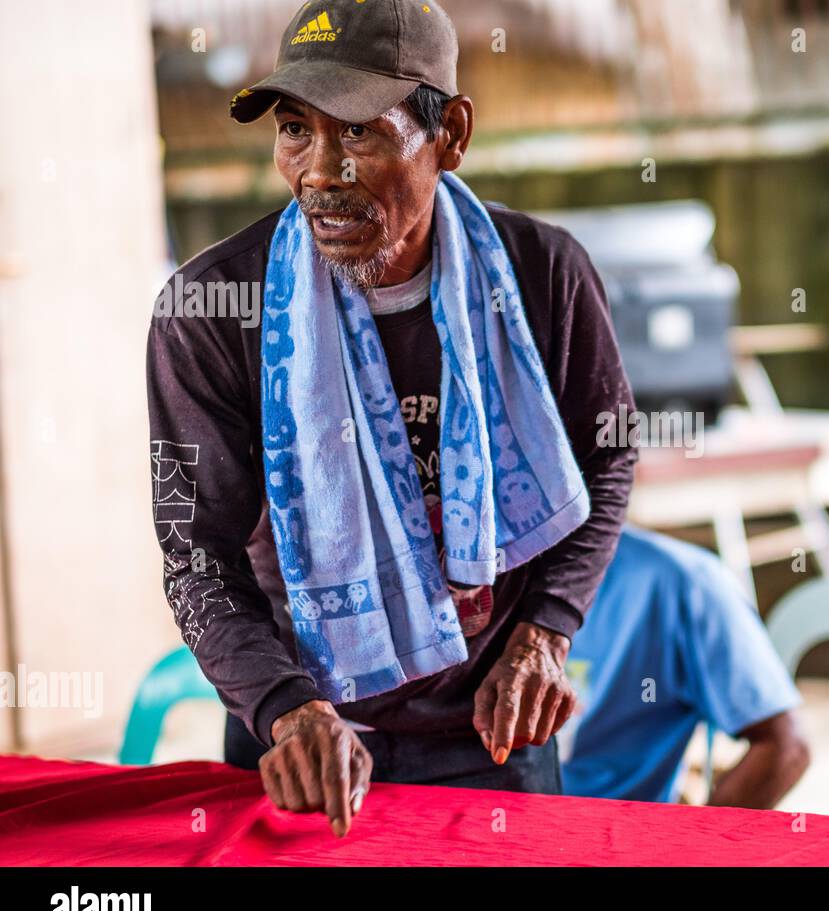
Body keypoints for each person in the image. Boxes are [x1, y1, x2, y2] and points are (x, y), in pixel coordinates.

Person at [146, 0, 635, 837]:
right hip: (305, 738)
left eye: (360, 133)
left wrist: (546, 632)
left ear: (451, 135)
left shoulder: (542, 277)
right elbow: (197, 557)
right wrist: (285, 709)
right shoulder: (211, 310)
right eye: (296, 130)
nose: (320, 171)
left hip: (492, 733)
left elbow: (608, 460)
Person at [559, 527, 809, 808]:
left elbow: (786, 747)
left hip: (607, 837)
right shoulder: (504, 579)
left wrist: (700, 846)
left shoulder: (682, 583)